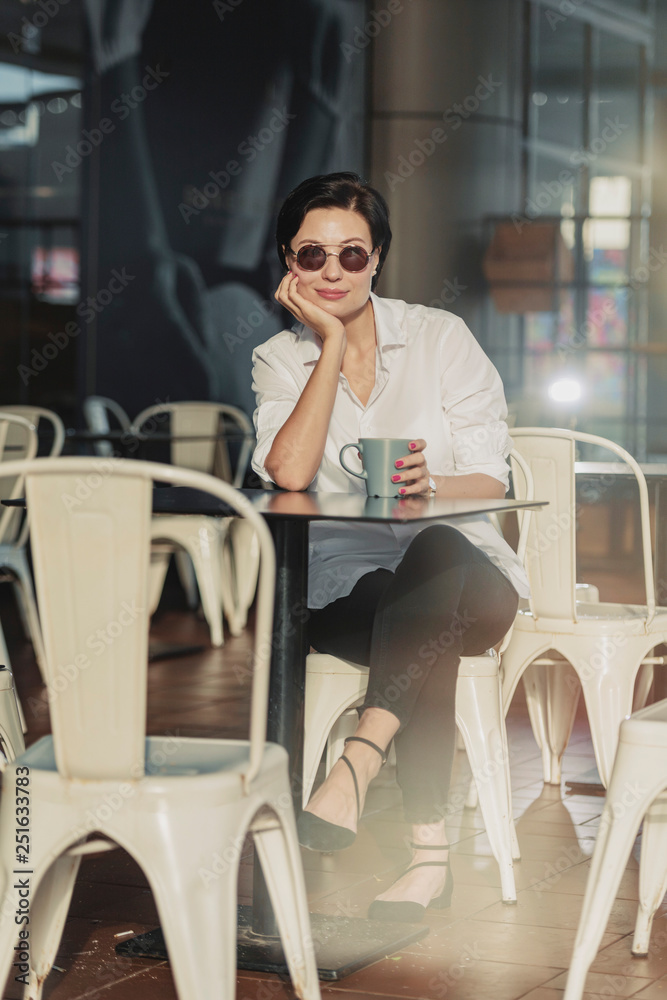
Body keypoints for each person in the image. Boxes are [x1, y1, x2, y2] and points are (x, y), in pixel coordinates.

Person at [251, 172, 529, 922]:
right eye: (313, 256)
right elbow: (287, 471)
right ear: (289, 263)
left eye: (351, 255)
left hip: (471, 576)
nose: (332, 271)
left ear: (377, 260)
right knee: (416, 624)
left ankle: (355, 761)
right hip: (346, 584)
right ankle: (428, 857)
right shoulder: (280, 359)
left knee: (433, 553)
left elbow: (489, 474)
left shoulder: (440, 337)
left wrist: (429, 482)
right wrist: (331, 344)